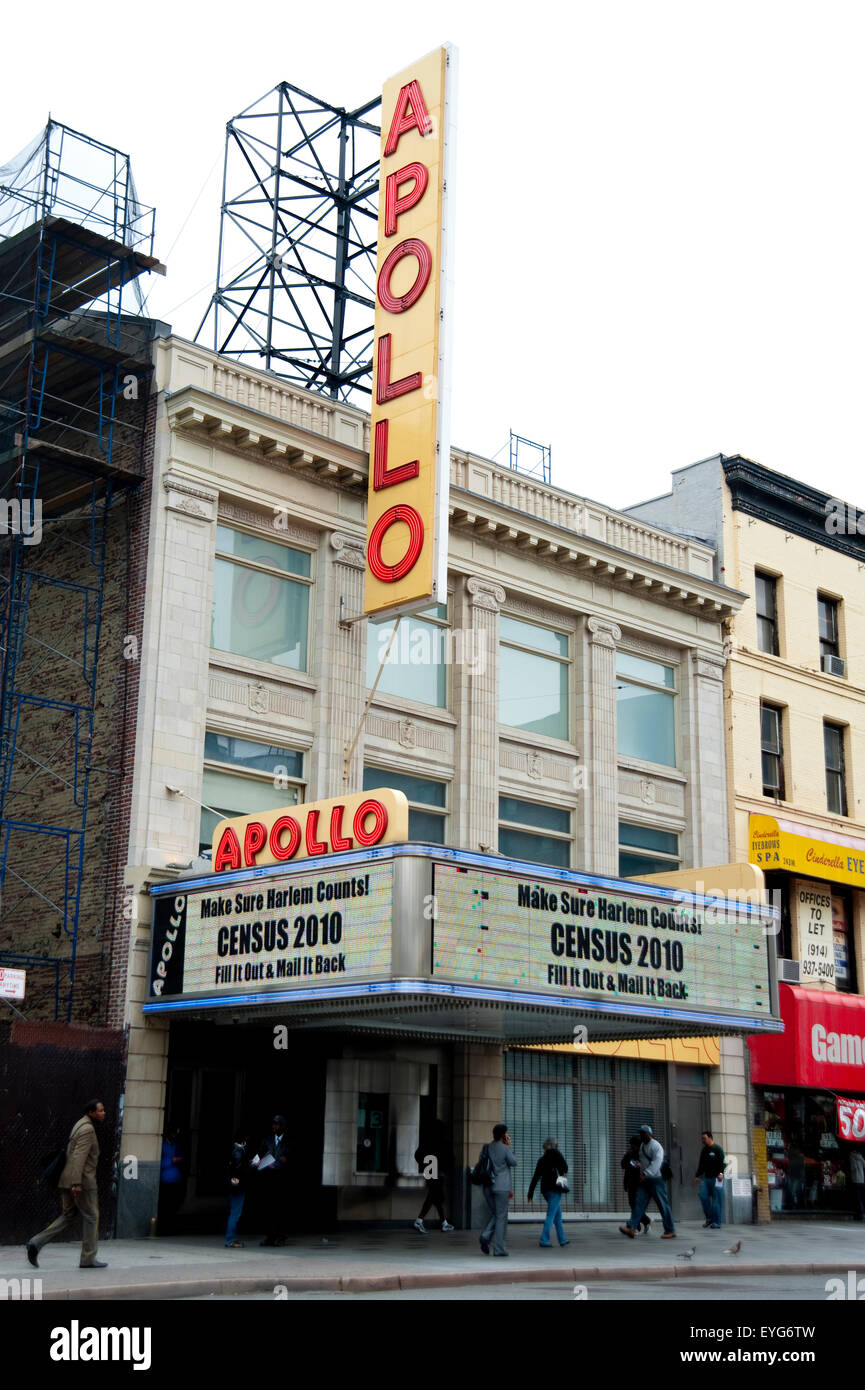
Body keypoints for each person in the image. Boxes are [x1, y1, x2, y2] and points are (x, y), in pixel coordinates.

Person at [26, 1099, 108, 1269]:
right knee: (92, 1216)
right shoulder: (87, 1129)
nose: (103, 1113)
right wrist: (77, 1183)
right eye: (100, 1110)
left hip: (67, 1179)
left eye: (103, 1110)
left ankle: (36, 1242)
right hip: (81, 1182)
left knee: (69, 1215)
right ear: (91, 1113)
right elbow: (79, 1157)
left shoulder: (80, 1124)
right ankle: (88, 1259)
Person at [619, 1123, 676, 1239]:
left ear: (649, 1134)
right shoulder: (642, 1147)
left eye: (643, 1133)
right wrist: (634, 1164)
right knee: (638, 1203)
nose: (641, 1135)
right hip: (645, 1181)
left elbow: (657, 1163)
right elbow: (639, 1161)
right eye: (640, 1133)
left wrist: (645, 1173)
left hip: (656, 1180)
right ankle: (632, 1227)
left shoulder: (656, 1146)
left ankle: (670, 1230)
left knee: (663, 1205)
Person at [478, 1122, 517, 1257]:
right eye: (506, 1133)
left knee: (496, 1214)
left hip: (487, 1186)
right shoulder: (504, 1148)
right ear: (503, 1135)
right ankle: (498, 1248)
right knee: (501, 1217)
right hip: (502, 1186)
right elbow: (513, 1162)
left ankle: (486, 1235)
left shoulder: (487, 1147)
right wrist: (509, 1147)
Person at [527, 1137, 570, 1248]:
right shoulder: (557, 1155)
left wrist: (530, 1193)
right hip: (555, 1189)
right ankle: (544, 1240)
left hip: (545, 1190)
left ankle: (562, 1239)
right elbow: (565, 1168)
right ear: (555, 1145)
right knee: (551, 1215)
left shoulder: (542, 1159)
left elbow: (536, 1177)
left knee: (557, 1215)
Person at [413, 1118, 455, 1233]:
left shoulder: (427, 1142)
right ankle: (419, 1220)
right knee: (434, 1196)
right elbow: (449, 1159)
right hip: (438, 1172)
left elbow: (418, 1155)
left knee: (436, 1197)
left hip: (430, 1170)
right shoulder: (443, 1142)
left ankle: (443, 1223)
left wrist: (424, 1164)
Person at [257, 1114, 290, 1246]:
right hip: (269, 1179)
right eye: (273, 1124)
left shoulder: (288, 1141)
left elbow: (289, 1157)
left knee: (280, 1208)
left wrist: (284, 1160)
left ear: (282, 1126)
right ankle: (269, 1235)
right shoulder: (267, 1140)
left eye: (277, 1124)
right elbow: (260, 1155)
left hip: (282, 1180)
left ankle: (280, 1235)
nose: (274, 1127)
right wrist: (259, 1162)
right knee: (268, 1208)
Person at [694, 1129, 725, 1229]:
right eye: (702, 1138)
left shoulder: (718, 1149)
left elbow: (722, 1164)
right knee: (703, 1197)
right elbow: (701, 1164)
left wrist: (721, 1174)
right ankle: (709, 1219)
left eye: (704, 1138)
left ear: (710, 1138)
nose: (703, 1140)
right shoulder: (704, 1150)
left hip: (717, 1179)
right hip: (706, 1178)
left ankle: (717, 1222)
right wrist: (697, 1175)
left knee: (716, 1201)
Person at [225, 1133, 252, 1248]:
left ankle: (231, 1238)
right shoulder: (238, 1151)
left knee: (234, 1212)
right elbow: (238, 1169)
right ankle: (230, 1239)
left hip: (233, 1185)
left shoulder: (234, 1150)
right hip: (238, 1186)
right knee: (235, 1213)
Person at [158, 1124, 185, 1235]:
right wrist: (172, 1161)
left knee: (173, 1205)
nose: (174, 1136)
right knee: (165, 1205)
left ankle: (171, 1227)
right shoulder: (163, 1145)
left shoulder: (176, 1145)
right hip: (166, 1179)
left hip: (175, 1178)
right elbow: (161, 1162)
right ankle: (164, 1227)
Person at [621, 1134, 651, 1234]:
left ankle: (635, 1226)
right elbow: (623, 1164)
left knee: (636, 1205)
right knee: (633, 1204)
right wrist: (632, 1163)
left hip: (641, 1182)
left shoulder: (643, 1153)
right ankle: (644, 1222)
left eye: (634, 1145)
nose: (632, 1147)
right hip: (631, 1182)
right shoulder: (629, 1154)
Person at [850, 1148, 865, 1220]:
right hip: (862, 1180)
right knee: (862, 1198)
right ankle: (862, 1214)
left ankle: (860, 1215)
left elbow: (853, 1168)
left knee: (858, 1199)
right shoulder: (861, 1157)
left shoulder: (852, 1157)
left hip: (855, 1180)